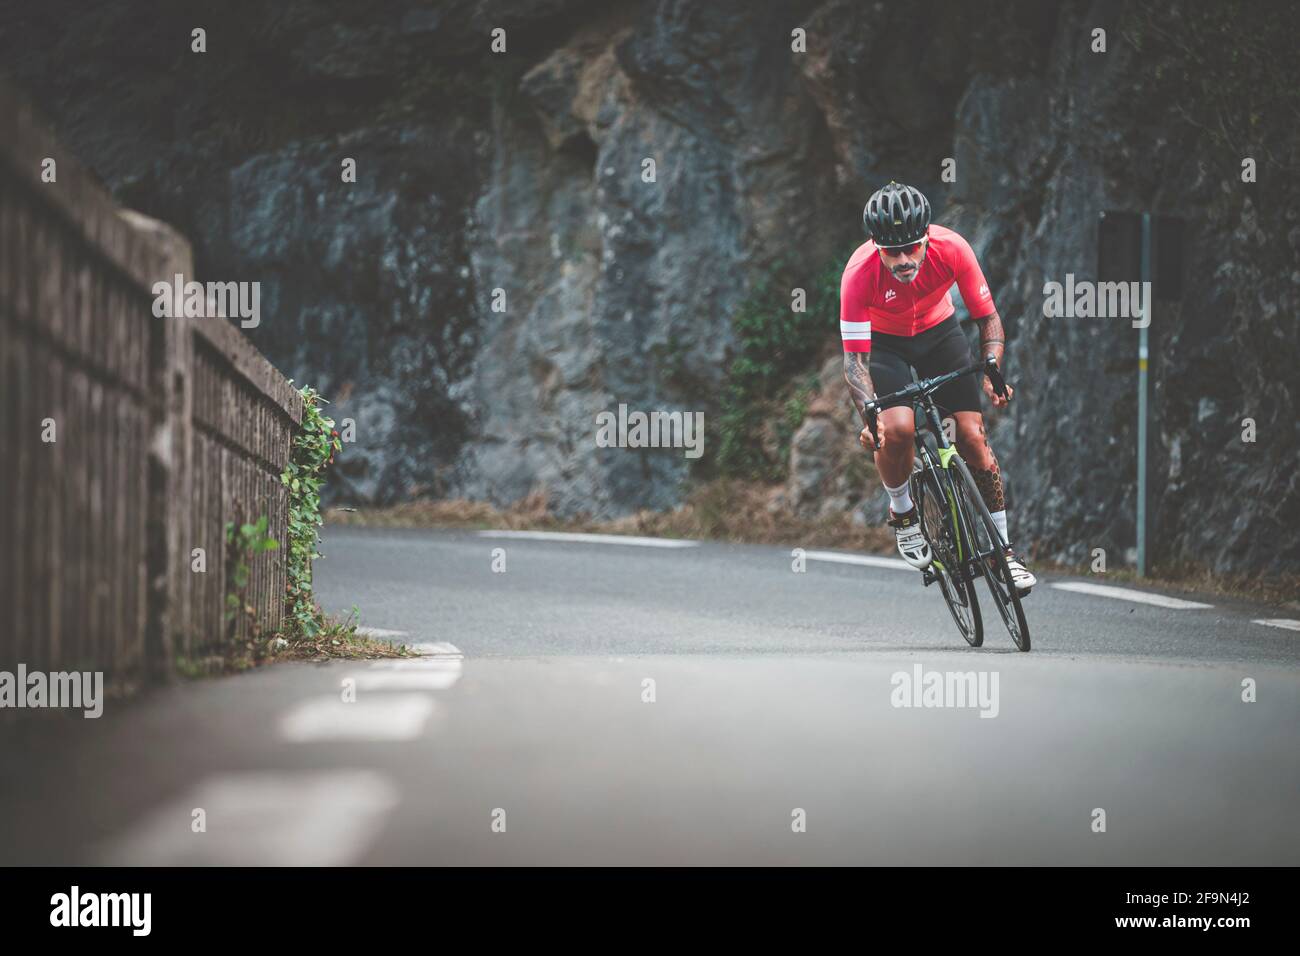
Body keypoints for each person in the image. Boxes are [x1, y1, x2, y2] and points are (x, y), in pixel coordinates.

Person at [840, 181, 1036, 592]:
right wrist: (869, 414)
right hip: (885, 345)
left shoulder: (953, 249)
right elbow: (855, 362)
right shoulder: (859, 274)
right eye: (892, 251)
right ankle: (903, 513)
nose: (904, 259)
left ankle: (1006, 552)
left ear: (926, 238)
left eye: (912, 247)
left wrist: (992, 369)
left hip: (939, 334)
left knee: (971, 437)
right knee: (897, 431)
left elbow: (989, 320)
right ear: (877, 246)